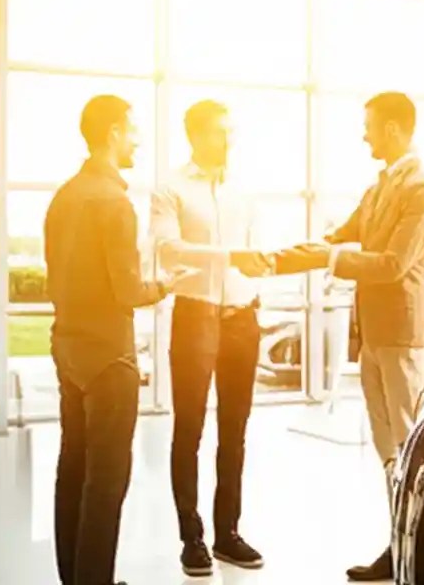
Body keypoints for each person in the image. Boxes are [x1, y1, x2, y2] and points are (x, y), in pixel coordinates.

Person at [276, 91, 424, 582]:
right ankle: (399, 546)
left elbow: (392, 265)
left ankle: (422, 548)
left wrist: (327, 259)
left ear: (393, 128)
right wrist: (285, 255)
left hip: (401, 338)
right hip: (372, 336)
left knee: (412, 451)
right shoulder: (378, 190)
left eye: (369, 125)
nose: (364, 135)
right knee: (388, 451)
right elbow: (339, 237)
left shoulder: (422, 192)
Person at [45, 94, 181, 585]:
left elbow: (55, 278)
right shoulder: (114, 203)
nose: (137, 139)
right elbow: (127, 291)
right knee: (106, 483)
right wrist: (166, 284)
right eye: (132, 130)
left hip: (69, 352)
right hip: (109, 360)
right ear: (113, 133)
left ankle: (76, 578)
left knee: (73, 470)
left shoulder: (64, 196)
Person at [150, 99, 275, 577]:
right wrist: (231, 256)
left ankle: (228, 533)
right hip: (195, 315)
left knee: (235, 431)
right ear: (197, 135)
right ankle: (191, 537)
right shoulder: (171, 189)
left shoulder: (244, 190)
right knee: (189, 430)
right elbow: (168, 250)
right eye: (221, 132)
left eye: (231, 131)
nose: (229, 141)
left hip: (242, 317)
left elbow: (254, 252)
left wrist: (253, 278)